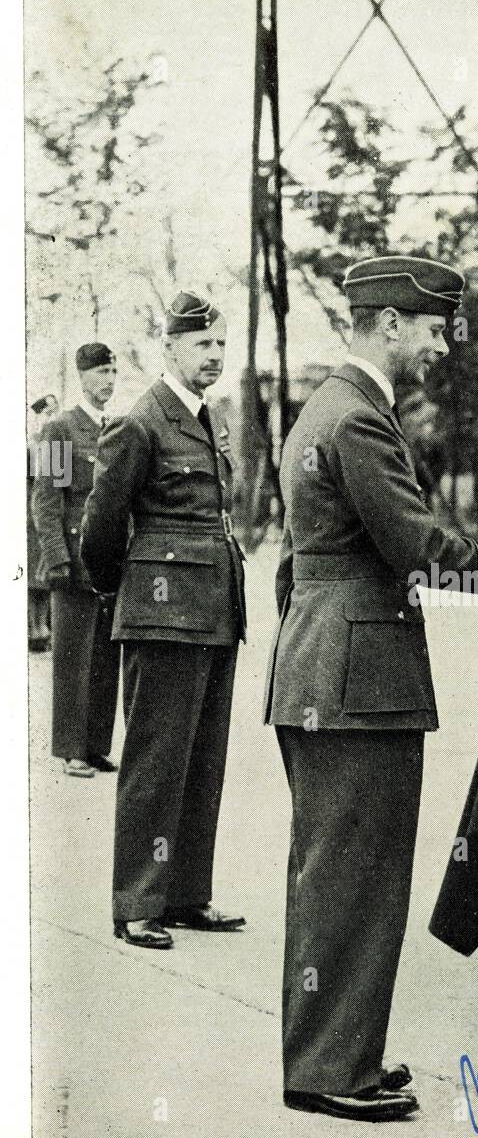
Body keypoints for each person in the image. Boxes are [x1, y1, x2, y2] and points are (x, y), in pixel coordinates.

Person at [264, 253, 478, 1123]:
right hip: (358, 682)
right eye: (432, 329)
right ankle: (327, 1070)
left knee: (339, 870)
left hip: (330, 671)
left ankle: (338, 1053)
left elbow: (301, 567)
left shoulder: (330, 407)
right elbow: (420, 550)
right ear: (388, 323)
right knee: (351, 872)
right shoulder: (357, 419)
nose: (439, 347)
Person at [81, 293, 246, 949]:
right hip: (161, 613)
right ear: (171, 348)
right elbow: (100, 524)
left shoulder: (207, 418)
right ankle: (135, 903)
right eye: (203, 344)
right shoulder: (142, 421)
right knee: (154, 764)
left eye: (221, 345)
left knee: (202, 762)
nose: (215, 356)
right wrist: (119, 593)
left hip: (213, 611)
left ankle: (184, 895)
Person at [31, 351, 121, 775]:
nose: (110, 379)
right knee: (73, 659)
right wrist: (56, 558)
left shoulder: (114, 428)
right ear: (83, 377)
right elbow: (47, 501)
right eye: (102, 372)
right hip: (72, 562)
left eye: (114, 371)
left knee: (104, 657)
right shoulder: (61, 428)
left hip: (106, 563)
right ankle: (70, 749)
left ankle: (94, 745)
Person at [27, 394, 59, 652]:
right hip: (29, 518)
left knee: (44, 576)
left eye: (54, 412)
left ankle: (42, 629)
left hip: (46, 520)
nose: (51, 417)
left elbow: (59, 485)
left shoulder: (56, 444)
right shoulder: (30, 447)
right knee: (32, 577)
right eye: (47, 413)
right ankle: (34, 628)